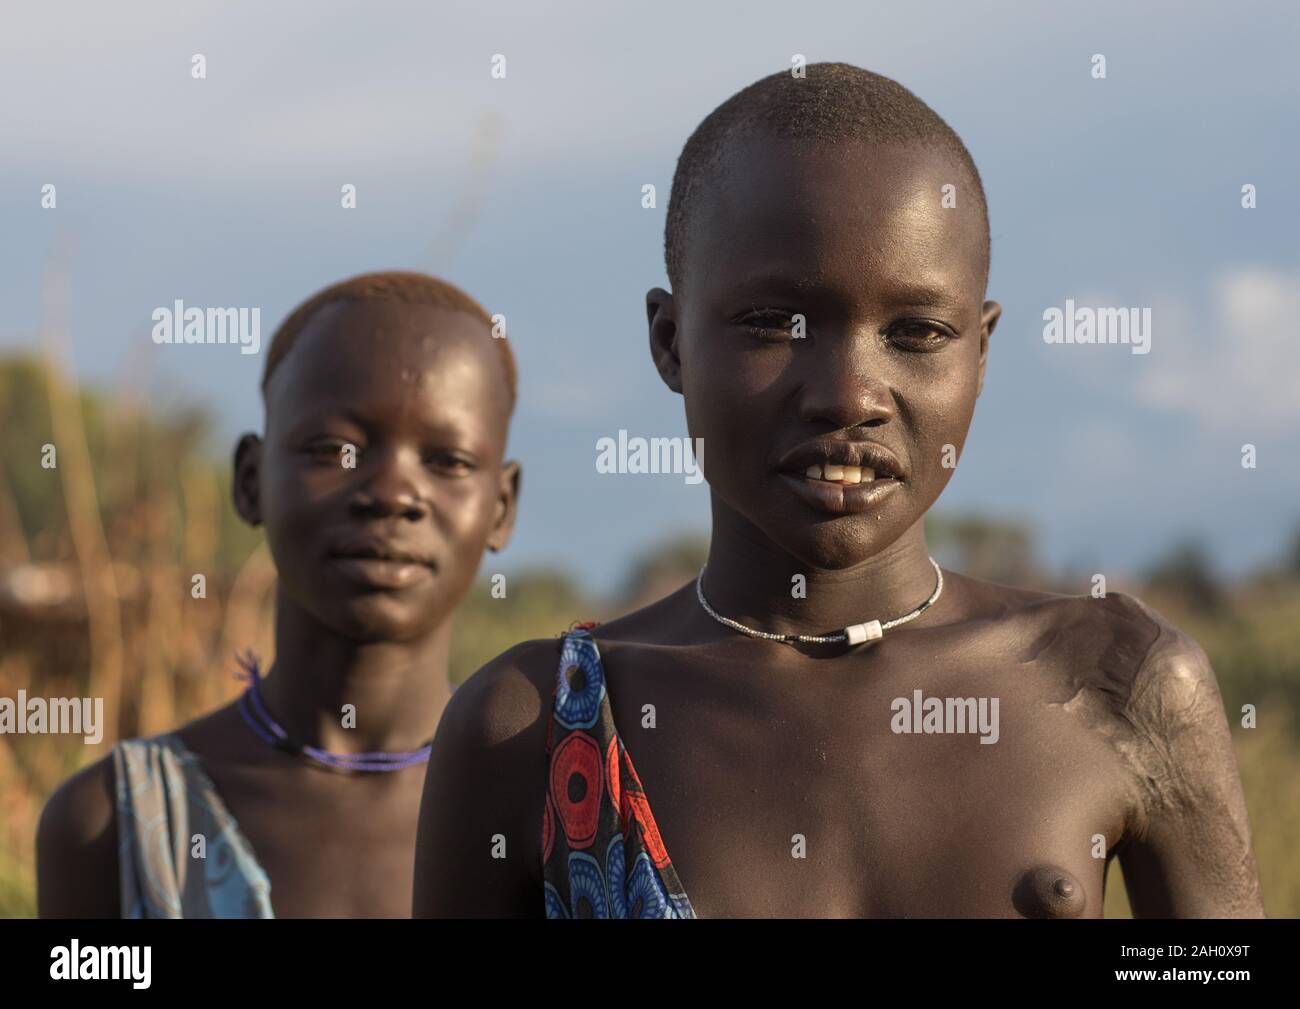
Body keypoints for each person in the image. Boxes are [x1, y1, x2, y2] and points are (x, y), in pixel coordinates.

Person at [412, 64, 1264, 918]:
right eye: (773, 324)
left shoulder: (1121, 688)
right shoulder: (532, 727)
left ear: (980, 351)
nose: (849, 394)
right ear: (670, 343)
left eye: (916, 332)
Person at [37, 270, 521, 917]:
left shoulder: (560, 815)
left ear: (502, 506)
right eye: (335, 449)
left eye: (448, 461)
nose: (393, 493)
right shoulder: (114, 823)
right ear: (250, 480)